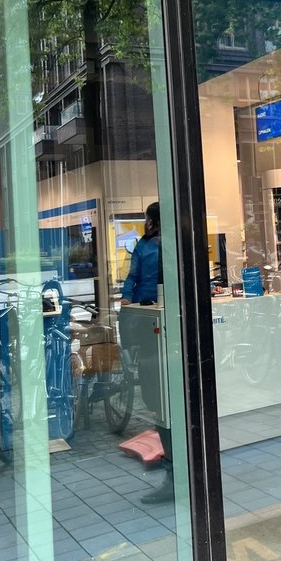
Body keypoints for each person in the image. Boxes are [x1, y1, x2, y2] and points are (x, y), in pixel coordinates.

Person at [120, 202, 173, 504]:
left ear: (152, 221)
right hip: (173, 323)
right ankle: (177, 468)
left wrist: (127, 300)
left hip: (148, 321)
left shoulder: (144, 245)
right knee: (170, 396)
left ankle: (173, 473)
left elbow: (133, 277)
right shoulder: (177, 243)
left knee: (157, 397)